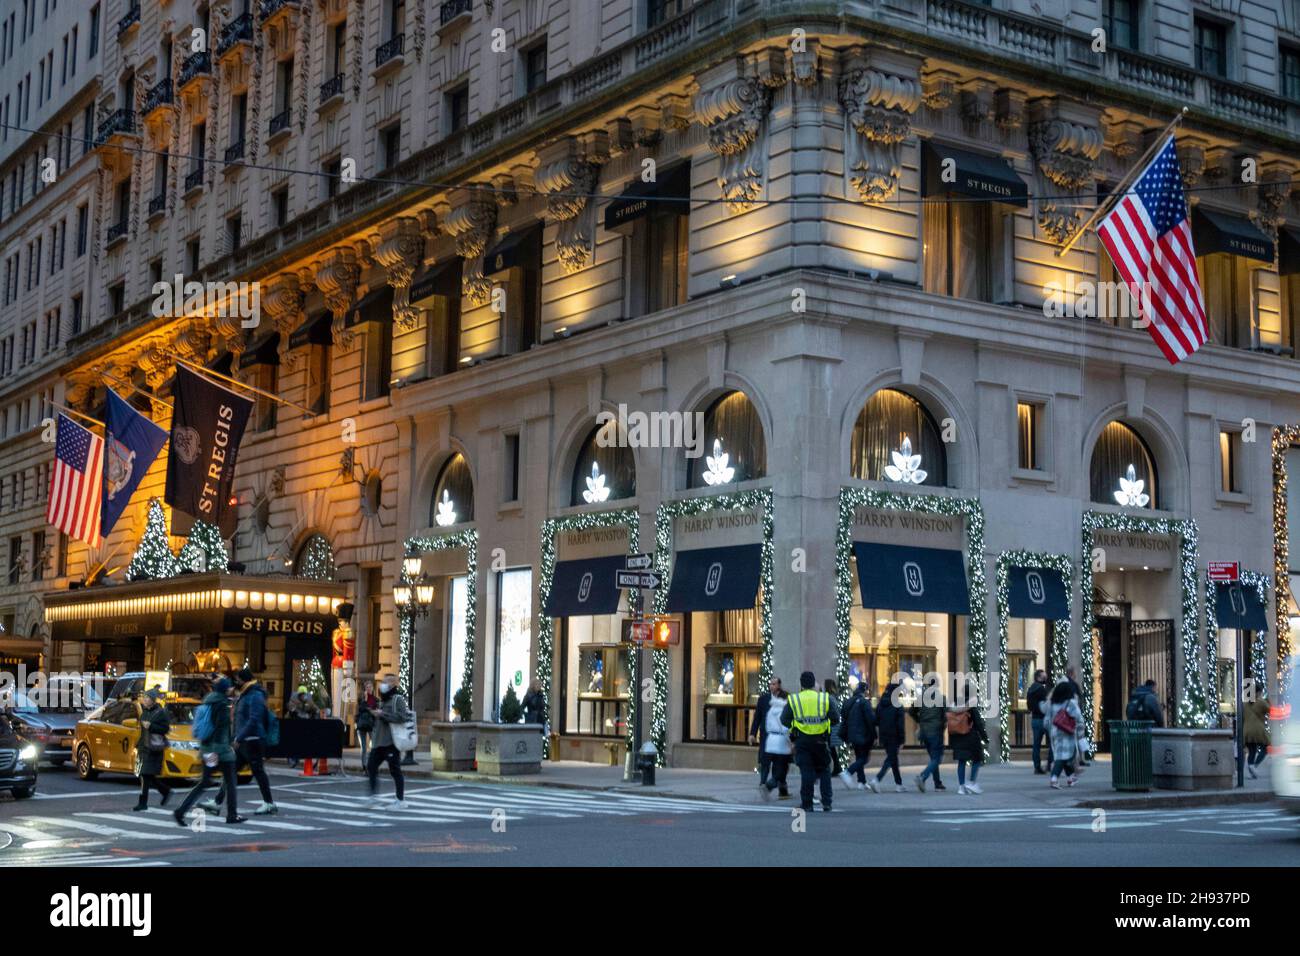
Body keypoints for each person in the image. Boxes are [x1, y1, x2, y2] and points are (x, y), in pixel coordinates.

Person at [174, 677, 245, 825]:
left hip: (207, 749)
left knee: (204, 782)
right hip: (220, 751)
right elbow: (220, 729)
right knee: (231, 782)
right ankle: (232, 815)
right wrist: (227, 748)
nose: (231, 689)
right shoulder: (222, 705)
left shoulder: (208, 701)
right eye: (229, 687)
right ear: (226, 689)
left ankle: (181, 811)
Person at [207, 669, 277, 816]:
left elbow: (254, 719)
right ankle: (217, 802)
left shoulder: (255, 695)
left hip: (253, 741)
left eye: (238, 679)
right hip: (245, 741)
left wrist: (239, 737)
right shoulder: (246, 694)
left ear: (244, 680)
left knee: (258, 772)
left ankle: (269, 803)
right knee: (230, 771)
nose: (236, 682)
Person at [780, 671, 840, 812]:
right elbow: (836, 718)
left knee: (807, 772)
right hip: (820, 740)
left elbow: (784, 720)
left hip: (802, 740)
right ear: (814, 683)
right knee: (824, 770)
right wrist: (824, 723)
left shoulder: (794, 699)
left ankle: (807, 804)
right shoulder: (824, 698)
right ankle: (827, 802)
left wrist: (796, 725)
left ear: (801, 684)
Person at [367, 672, 410, 808]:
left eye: (386, 682)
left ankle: (400, 800)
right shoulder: (382, 701)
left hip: (391, 742)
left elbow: (403, 717)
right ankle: (373, 796)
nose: (383, 685)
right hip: (379, 742)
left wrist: (383, 714)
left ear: (392, 684)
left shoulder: (398, 700)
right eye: (383, 681)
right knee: (371, 766)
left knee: (395, 771)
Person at [133, 689, 172, 811]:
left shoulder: (160, 712)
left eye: (147, 697)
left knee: (145, 775)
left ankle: (143, 803)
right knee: (147, 775)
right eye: (144, 697)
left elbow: (166, 729)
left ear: (153, 700)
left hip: (153, 748)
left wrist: (152, 726)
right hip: (143, 748)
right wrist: (138, 744)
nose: (144, 699)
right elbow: (143, 732)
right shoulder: (144, 712)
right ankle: (165, 791)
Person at [910, 676, 947, 792]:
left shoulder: (921, 698)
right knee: (937, 758)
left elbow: (911, 711)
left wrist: (919, 720)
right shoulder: (940, 698)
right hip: (936, 732)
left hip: (924, 732)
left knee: (933, 758)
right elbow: (945, 714)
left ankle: (937, 783)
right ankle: (922, 776)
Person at [868, 682, 907, 792]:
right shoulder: (898, 705)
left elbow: (876, 720)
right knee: (891, 759)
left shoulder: (881, 704)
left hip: (884, 735)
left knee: (893, 759)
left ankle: (899, 784)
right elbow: (900, 724)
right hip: (894, 736)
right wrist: (902, 739)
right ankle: (877, 779)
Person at [1046, 679, 1085, 788]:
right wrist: (1081, 732)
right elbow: (1078, 717)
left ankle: (1071, 777)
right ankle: (1054, 778)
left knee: (1065, 755)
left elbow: (1047, 720)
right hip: (1067, 732)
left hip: (1055, 732)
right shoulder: (1070, 703)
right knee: (1063, 757)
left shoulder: (1052, 704)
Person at [839, 681, 877, 789]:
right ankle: (848, 772)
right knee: (864, 758)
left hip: (851, 734)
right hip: (862, 735)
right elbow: (870, 720)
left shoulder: (848, 701)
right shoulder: (864, 702)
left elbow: (844, 716)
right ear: (865, 690)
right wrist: (874, 735)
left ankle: (862, 781)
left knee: (859, 757)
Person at [758, 682, 792, 800]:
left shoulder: (771, 710)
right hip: (781, 742)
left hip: (770, 741)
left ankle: (783, 791)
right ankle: (769, 785)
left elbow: (767, 726)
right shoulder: (785, 710)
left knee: (777, 767)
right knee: (782, 768)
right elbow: (786, 728)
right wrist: (790, 741)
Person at [748, 677, 783, 790]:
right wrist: (752, 733)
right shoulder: (763, 699)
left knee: (778, 764)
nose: (771, 686)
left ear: (779, 685)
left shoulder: (785, 698)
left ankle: (776, 785)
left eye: (774, 684)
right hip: (766, 736)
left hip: (779, 736)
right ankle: (763, 783)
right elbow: (757, 717)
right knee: (765, 762)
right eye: (770, 684)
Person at [948, 704, 988, 795]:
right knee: (977, 760)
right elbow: (978, 723)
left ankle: (961, 787)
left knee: (961, 762)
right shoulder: (971, 706)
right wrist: (985, 737)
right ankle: (971, 782)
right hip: (971, 737)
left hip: (957, 737)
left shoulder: (953, 706)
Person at [1026, 670, 1050, 774]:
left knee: (1036, 745)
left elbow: (1029, 706)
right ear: (1039, 677)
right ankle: (1049, 764)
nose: (1046, 677)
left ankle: (1037, 767)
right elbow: (1047, 704)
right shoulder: (1042, 690)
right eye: (1044, 675)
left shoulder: (1031, 689)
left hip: (1035, 719)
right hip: (1044, 719)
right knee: (1053, 743)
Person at [1243, 693, 1270, 779]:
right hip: (1257, 730)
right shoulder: (1261, 702)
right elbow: (1269, 709)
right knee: (1265, 749)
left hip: (1247, 730)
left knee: (1252, 751)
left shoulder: (1245, 704)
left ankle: (1252, 772)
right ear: (1258, 692)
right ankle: (1253, 766)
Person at [824, 678, 845, 778]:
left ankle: (837, 768)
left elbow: (832, 712)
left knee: (831, 748)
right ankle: (837, 767)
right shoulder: (833, 696)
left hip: (830, 726)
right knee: (832, 748)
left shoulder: (828, 697)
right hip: (835, 725)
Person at [355, 680, 378, 771]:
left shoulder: (375, 700)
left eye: (370, 687)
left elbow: (375, 711)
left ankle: (371, 764)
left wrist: (370, 710)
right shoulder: (361, 699)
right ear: (365, 689)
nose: (369, 688)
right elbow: (361, 709)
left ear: (373, 688)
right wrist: (365, 699)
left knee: (374, 746)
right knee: (364, 748)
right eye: (367, 687)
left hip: (371, 725)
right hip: (362, 725)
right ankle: (364, 767)